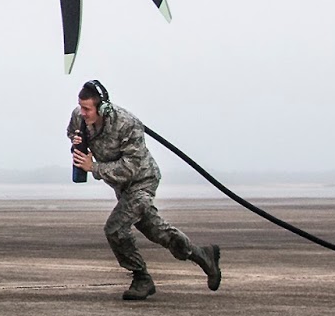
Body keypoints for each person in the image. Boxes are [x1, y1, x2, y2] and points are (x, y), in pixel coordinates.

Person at [69, 79, 222, 301]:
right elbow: (71, 133)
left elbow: (131, 167)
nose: (82, 113)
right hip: (121, 187)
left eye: (87, 109)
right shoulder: (78, 118)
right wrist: (77, 143)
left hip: (142, 181)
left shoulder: (127, 125)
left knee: (115, 228)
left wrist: (94, 167)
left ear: (102, 108)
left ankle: (141, 278)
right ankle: (203, 256)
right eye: (80, 107)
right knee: (157, 231)